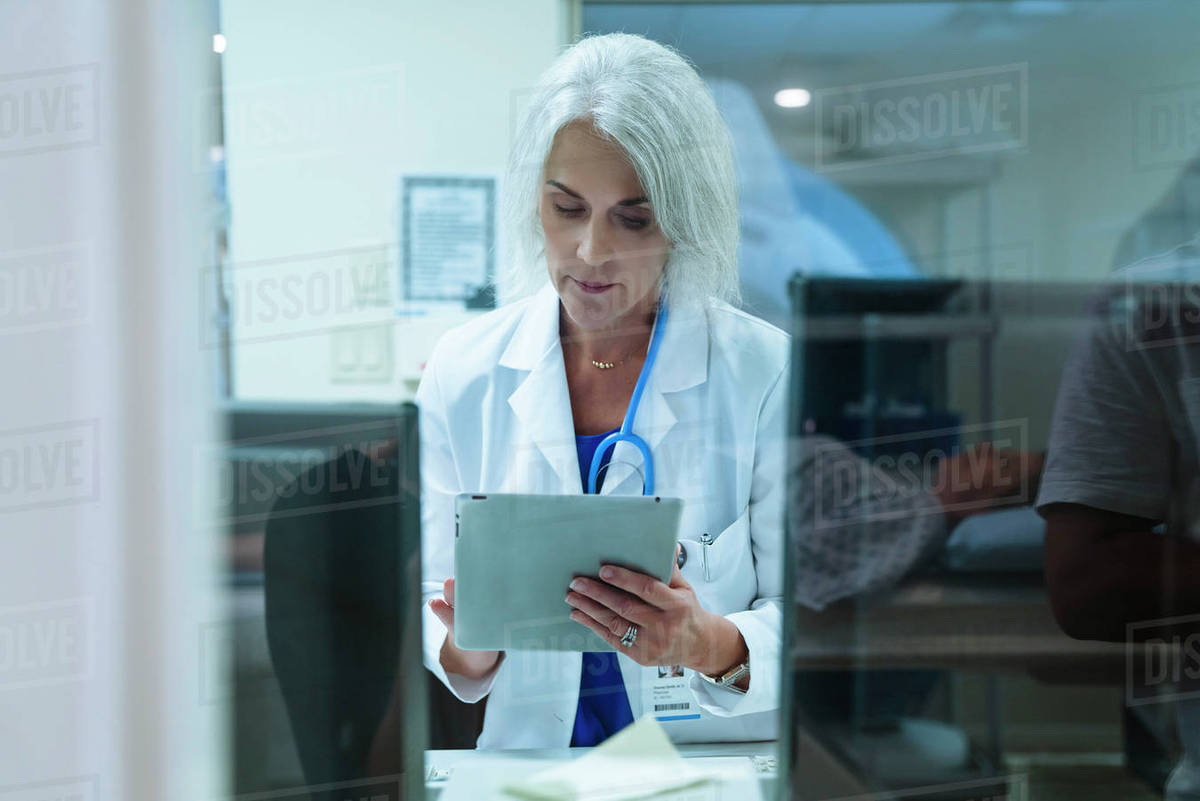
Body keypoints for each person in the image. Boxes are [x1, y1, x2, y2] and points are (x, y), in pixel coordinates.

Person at [415, 33, 788, 749]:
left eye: (633, 217)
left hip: (705, 763)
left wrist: (706, 640)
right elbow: (437, 614)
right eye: (567, 208)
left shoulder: (763, 371)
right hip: (532, 763)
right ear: (535, 203)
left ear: (685, 219)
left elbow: (810, 621)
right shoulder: (465, 371)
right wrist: (469, 640)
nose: (591, 251)